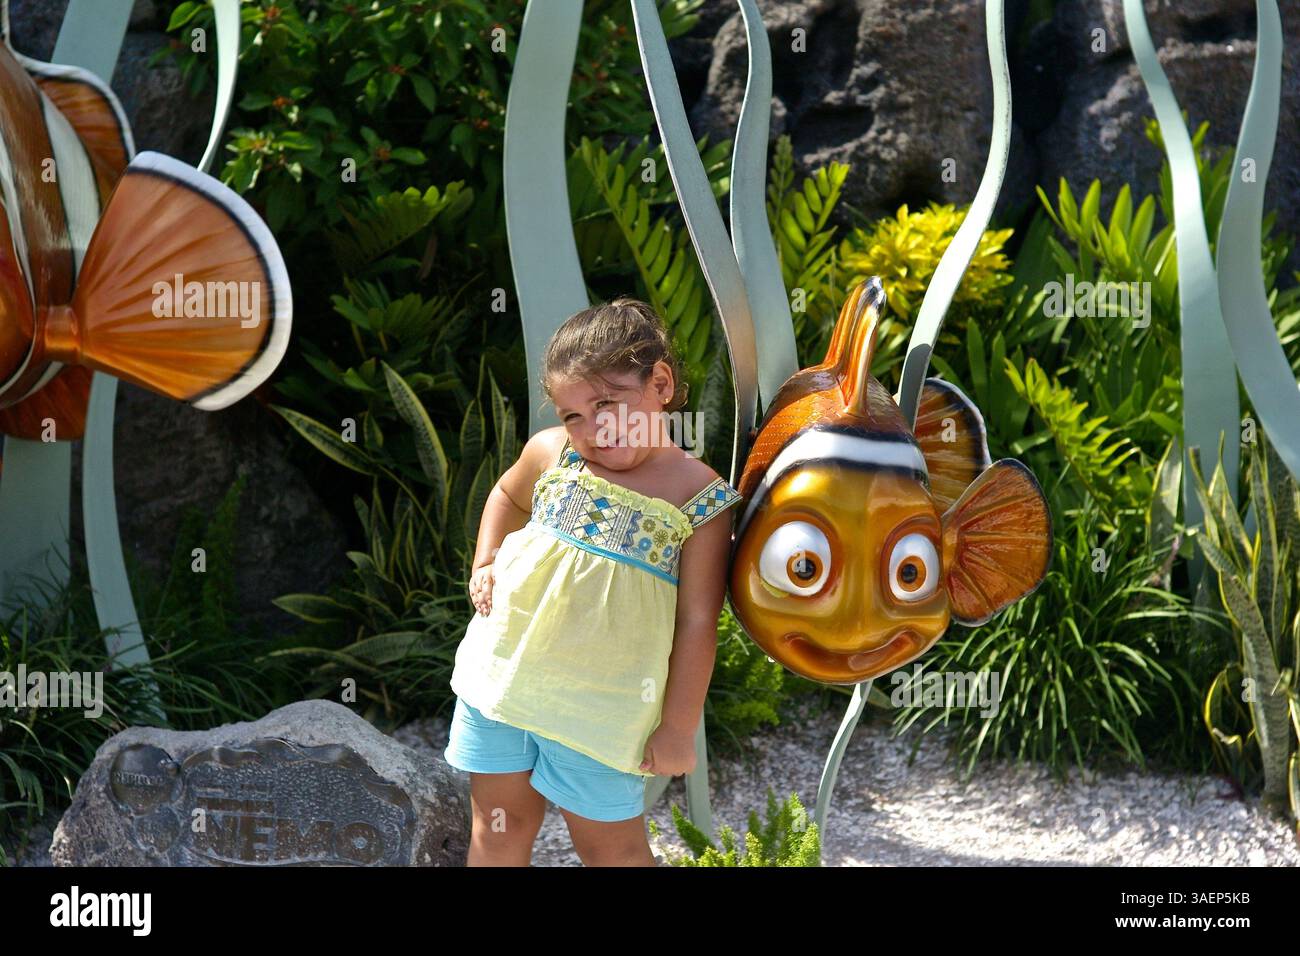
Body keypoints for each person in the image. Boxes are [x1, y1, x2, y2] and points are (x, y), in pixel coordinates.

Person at [443, 296, 742, 866]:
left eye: (606, 403)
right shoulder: (553, 454)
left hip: (602, 709)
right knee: (497, 827)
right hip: (503, 680)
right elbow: (507, 495)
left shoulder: (699, 498)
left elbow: (699, 619)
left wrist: (678, 727)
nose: (592, 429)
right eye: (572, 415)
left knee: (613, 849)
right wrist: (484, 563)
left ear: (660, 383)